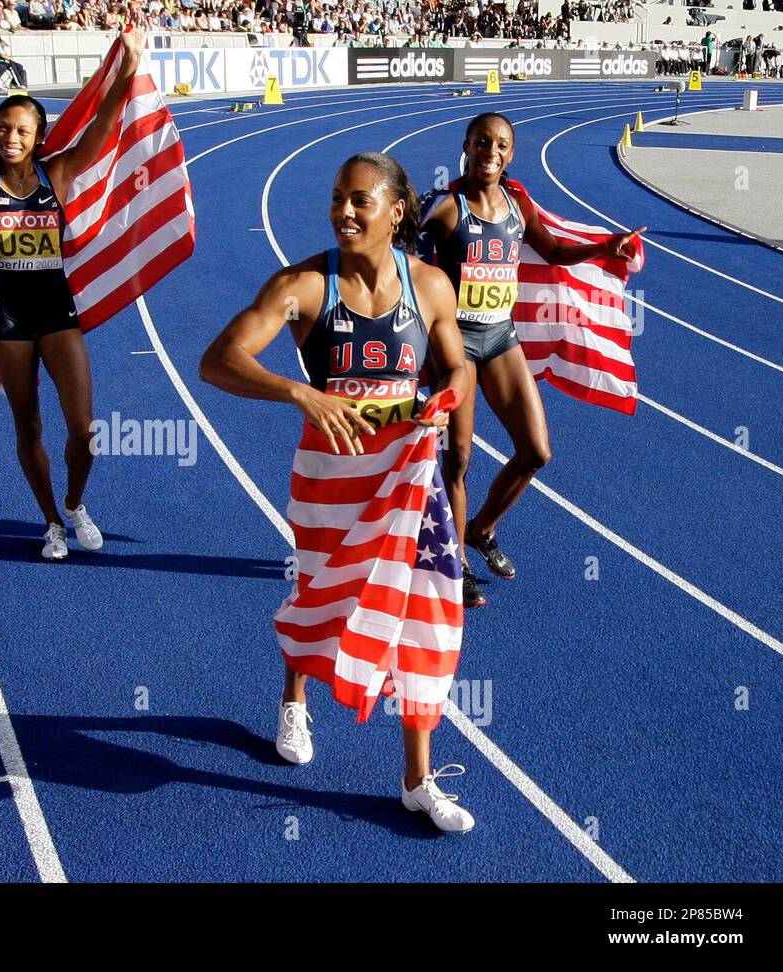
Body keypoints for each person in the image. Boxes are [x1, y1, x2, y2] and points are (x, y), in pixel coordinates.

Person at [199, 152, 476, 832]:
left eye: (359, 200)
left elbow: (461, 364)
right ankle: (295, 696)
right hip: (330, 481)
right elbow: (217, 361)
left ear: (396, 210)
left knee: (422, 617)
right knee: (318, 601)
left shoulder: (433, 286)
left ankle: (417, 777)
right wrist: (299, 390)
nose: (343, 212)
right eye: (336, 199)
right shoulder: (303, 287)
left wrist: (449, 395)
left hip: (409, 481)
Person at [419, 113, 642, 606]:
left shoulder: (517, 203)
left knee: (536, 451)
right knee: (457, 461)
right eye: (482, 142)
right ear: (467, 145)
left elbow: (555, 249)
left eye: (500, 145)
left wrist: (608, 245)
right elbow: (401, 260)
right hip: (456, 347)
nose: (490, 152)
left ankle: (481, 528)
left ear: (511, 153)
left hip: (500, 338)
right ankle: (453, 567)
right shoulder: (444, 205)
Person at [0, 27, 146, 561]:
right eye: (3, 128)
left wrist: (128, 66)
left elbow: (103, 127)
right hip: (3, 311)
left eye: (22, 130)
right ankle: (51, 521)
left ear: (38, 135)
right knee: (27, 422)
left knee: (82, 428)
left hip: (56, 307)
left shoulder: (55, 174)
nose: (11, 137)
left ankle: (76, 504)